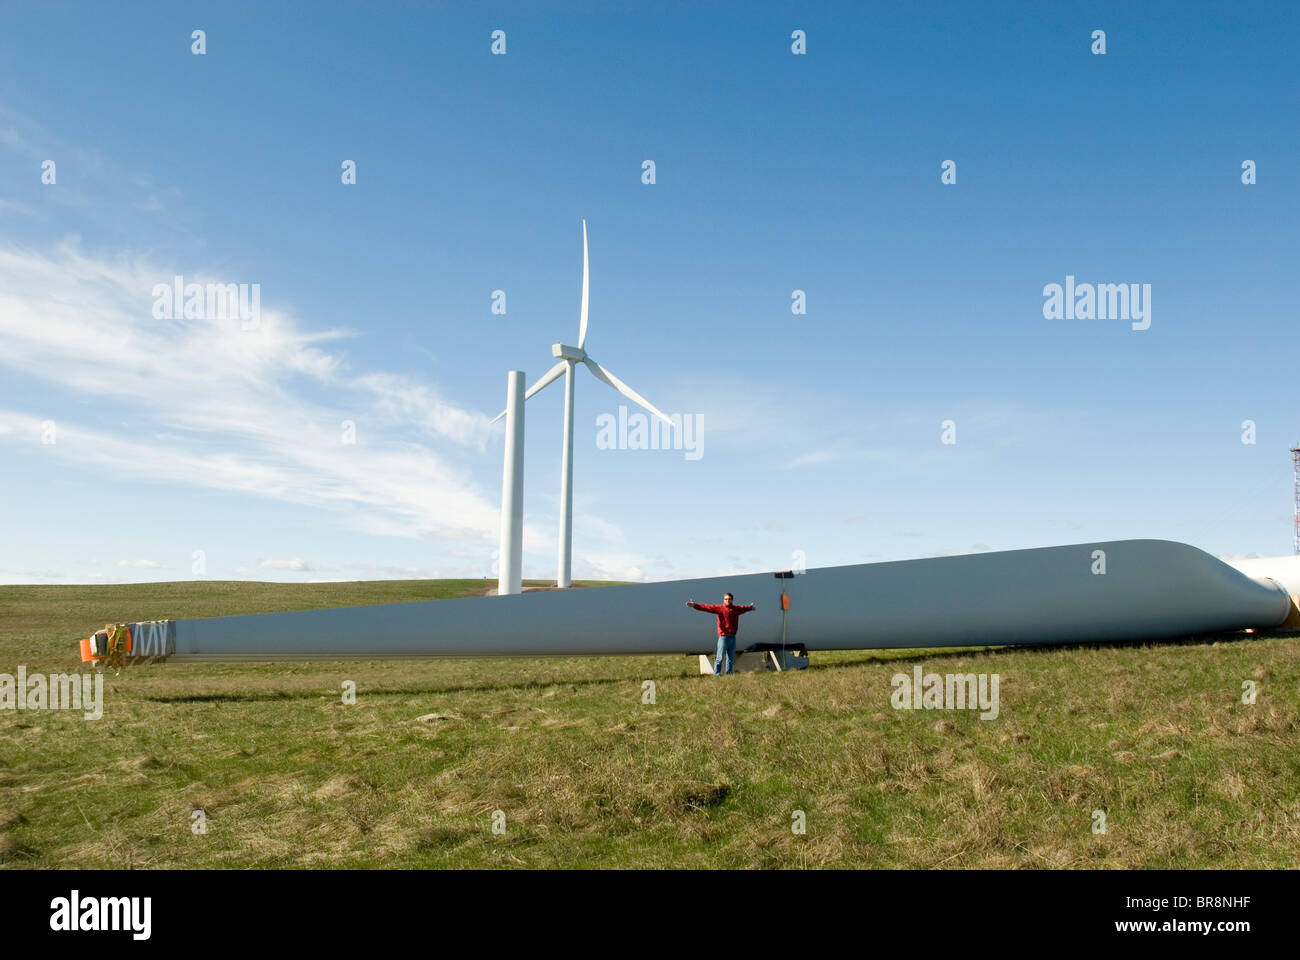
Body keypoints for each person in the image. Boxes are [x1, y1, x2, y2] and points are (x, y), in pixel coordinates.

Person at [686, 592, 755, 675]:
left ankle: (729, 674)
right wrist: (695, 605)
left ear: (732, 600)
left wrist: (750, 607)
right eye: (726, 599)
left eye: (729, 599)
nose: (727, 600)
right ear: (723, 600)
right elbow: (707, 607)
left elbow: (744, 608)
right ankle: (717, 674)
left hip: (733, 637)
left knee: (730, 658)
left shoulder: (736, 609)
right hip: (723, 637)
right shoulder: (720, 608)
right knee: (720, 657)